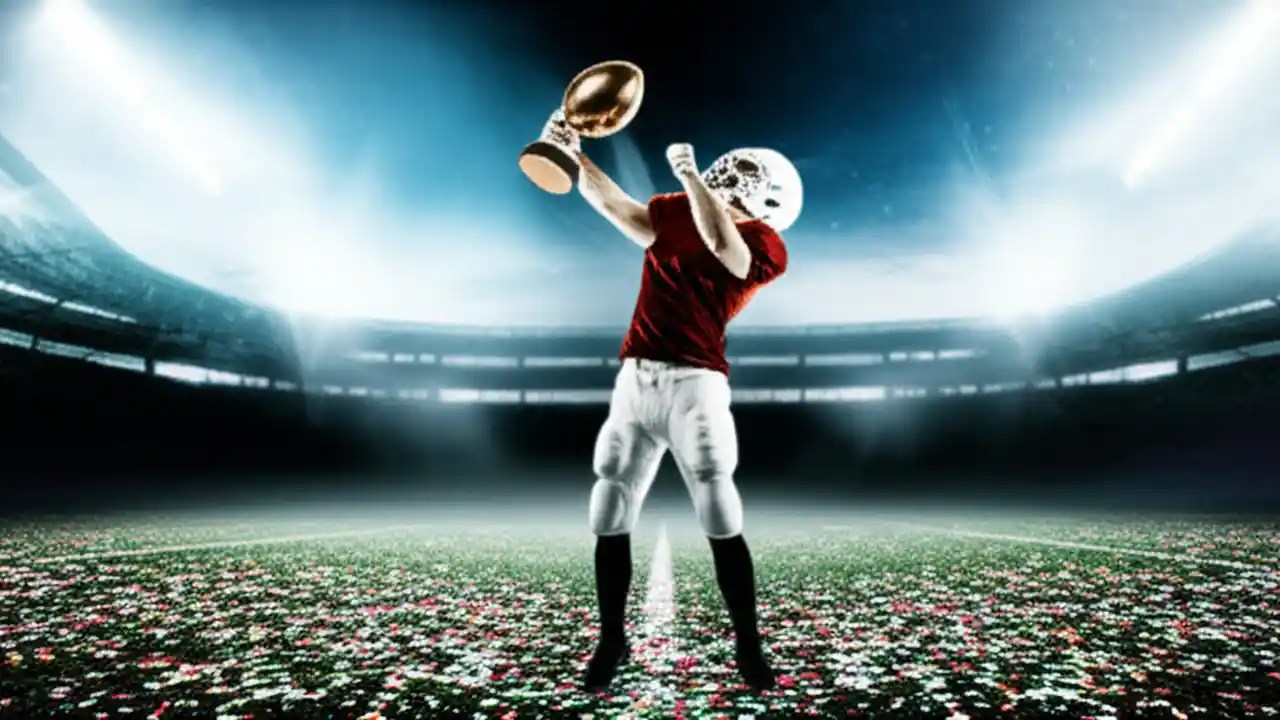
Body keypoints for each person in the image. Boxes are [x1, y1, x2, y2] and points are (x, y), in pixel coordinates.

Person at [572, 133, 804, 693]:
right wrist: (573, 154)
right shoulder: (676, 210)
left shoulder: (766, 243)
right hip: (636, 377)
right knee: (609, 502)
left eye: (749, 173)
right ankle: (611, 639)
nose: (735, 174)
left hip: (695, 384)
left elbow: (725, 246)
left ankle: (748, 644)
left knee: (718, 507)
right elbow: (615, 206)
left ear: (770, 199)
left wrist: (691, 177)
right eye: (737, 166)